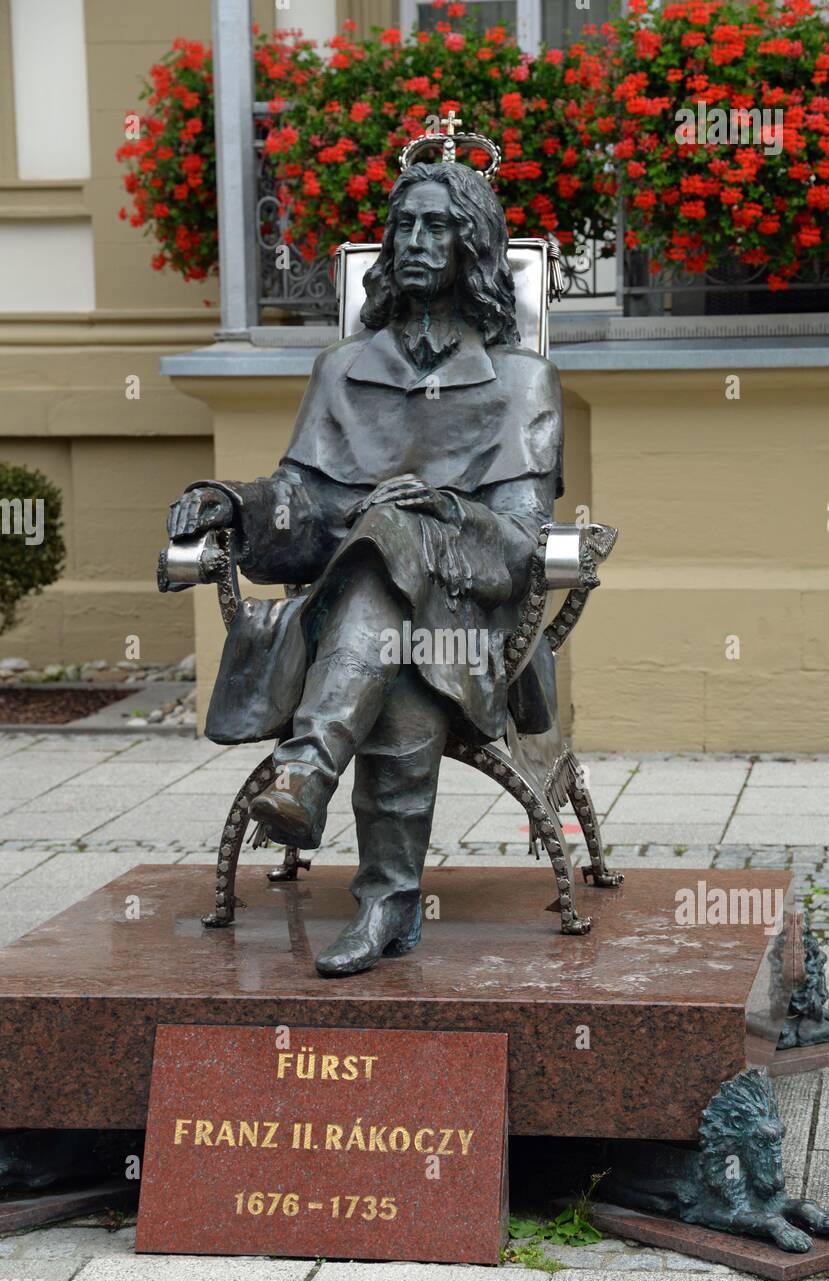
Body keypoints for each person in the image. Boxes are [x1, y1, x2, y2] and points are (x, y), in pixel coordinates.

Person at [166, 159, 563, 977]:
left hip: (466, 618)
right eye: (404, 225)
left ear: (475, 246)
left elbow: (521, 541)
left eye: (438, 226)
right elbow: (299, 503)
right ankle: (385, 898)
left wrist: (439, 511)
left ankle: (308, 771)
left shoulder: (522, 381)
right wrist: (234, 505)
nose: (415, 242)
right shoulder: (341, 370)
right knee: (389, 628)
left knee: (391, 538)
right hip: (362, 623)